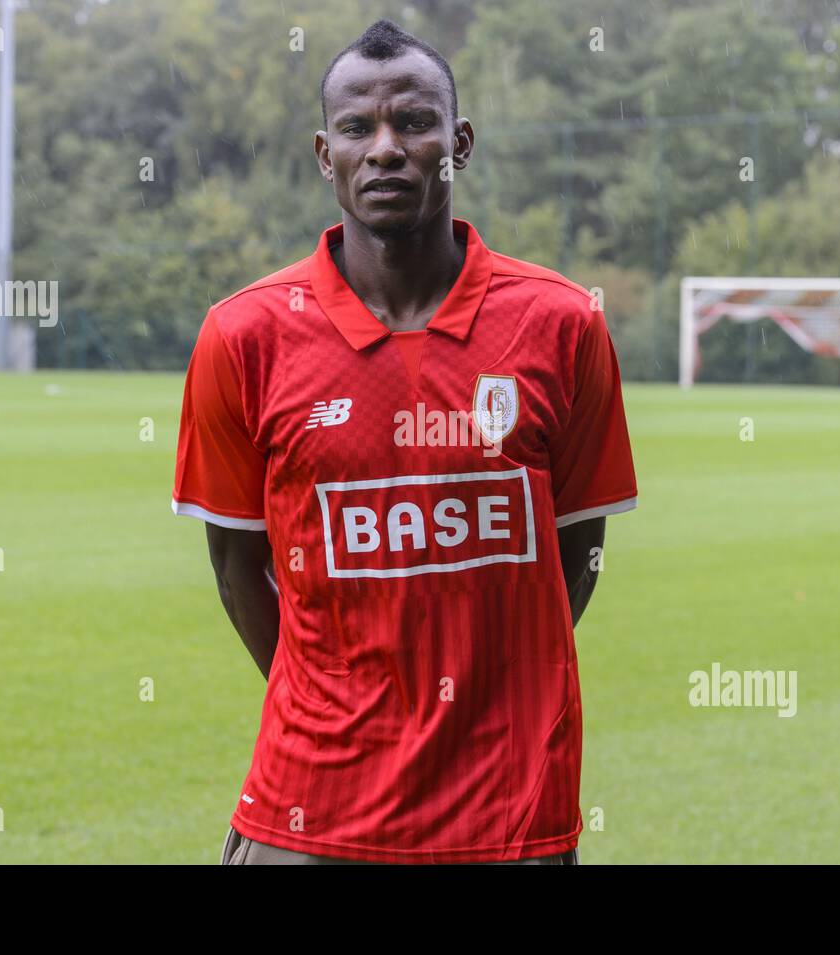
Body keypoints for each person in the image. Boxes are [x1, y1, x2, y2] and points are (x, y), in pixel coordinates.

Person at [172, 18, 637, 865]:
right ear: (325, 153)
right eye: (358, 128)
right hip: (309, 814)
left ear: (458, 143)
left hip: (507, 815)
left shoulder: (562, 324)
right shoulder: (243, 336)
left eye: (414, 124)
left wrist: (491, 698)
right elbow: (236, 565)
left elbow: (577, 554)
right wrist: (335, 701)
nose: (386, 148)